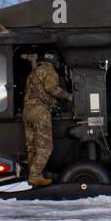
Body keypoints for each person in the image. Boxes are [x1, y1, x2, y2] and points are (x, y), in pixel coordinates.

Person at [22, 51, 71, 188]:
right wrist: (68, 96)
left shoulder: (33, 73)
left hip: (27, 110)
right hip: (40, 111)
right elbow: (52, 89)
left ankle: (34, 176)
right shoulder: (49, 71)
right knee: (45, 147)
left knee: (32, 147)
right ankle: (35, 176)